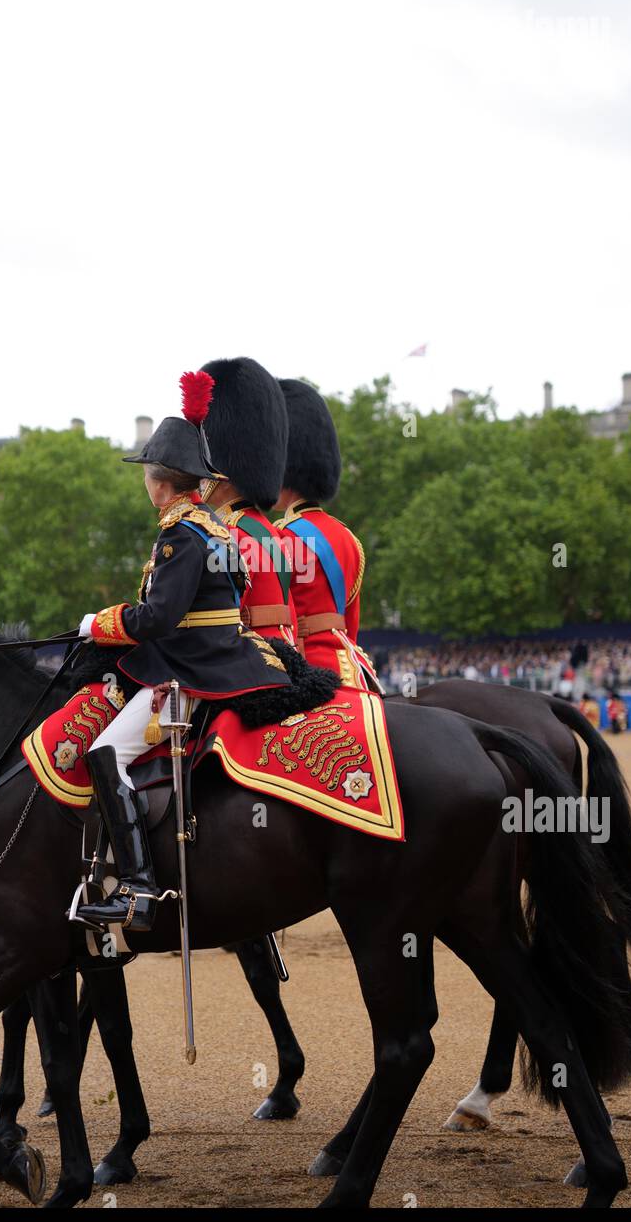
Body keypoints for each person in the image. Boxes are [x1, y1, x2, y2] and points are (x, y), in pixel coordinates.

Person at [23, 373, 289, 932]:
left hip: (190, 668)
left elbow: (158, 619)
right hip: (226, 654)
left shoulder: (179, 534)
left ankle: (140, 890)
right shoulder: (217, 527)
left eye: (147, 475)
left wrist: (96, 623)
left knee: (103, 754)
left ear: (158, 481)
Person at [273, 378, 379, 690]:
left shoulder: (279, 538)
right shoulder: (349, 539)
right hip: (354, 670)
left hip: (305, 672)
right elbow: (351, 623)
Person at [193, 358, 299, 646]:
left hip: (246, 668)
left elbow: (204, 625)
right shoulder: (272, 532)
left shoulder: (226, 536)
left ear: (220, 468)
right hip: (282, 662)